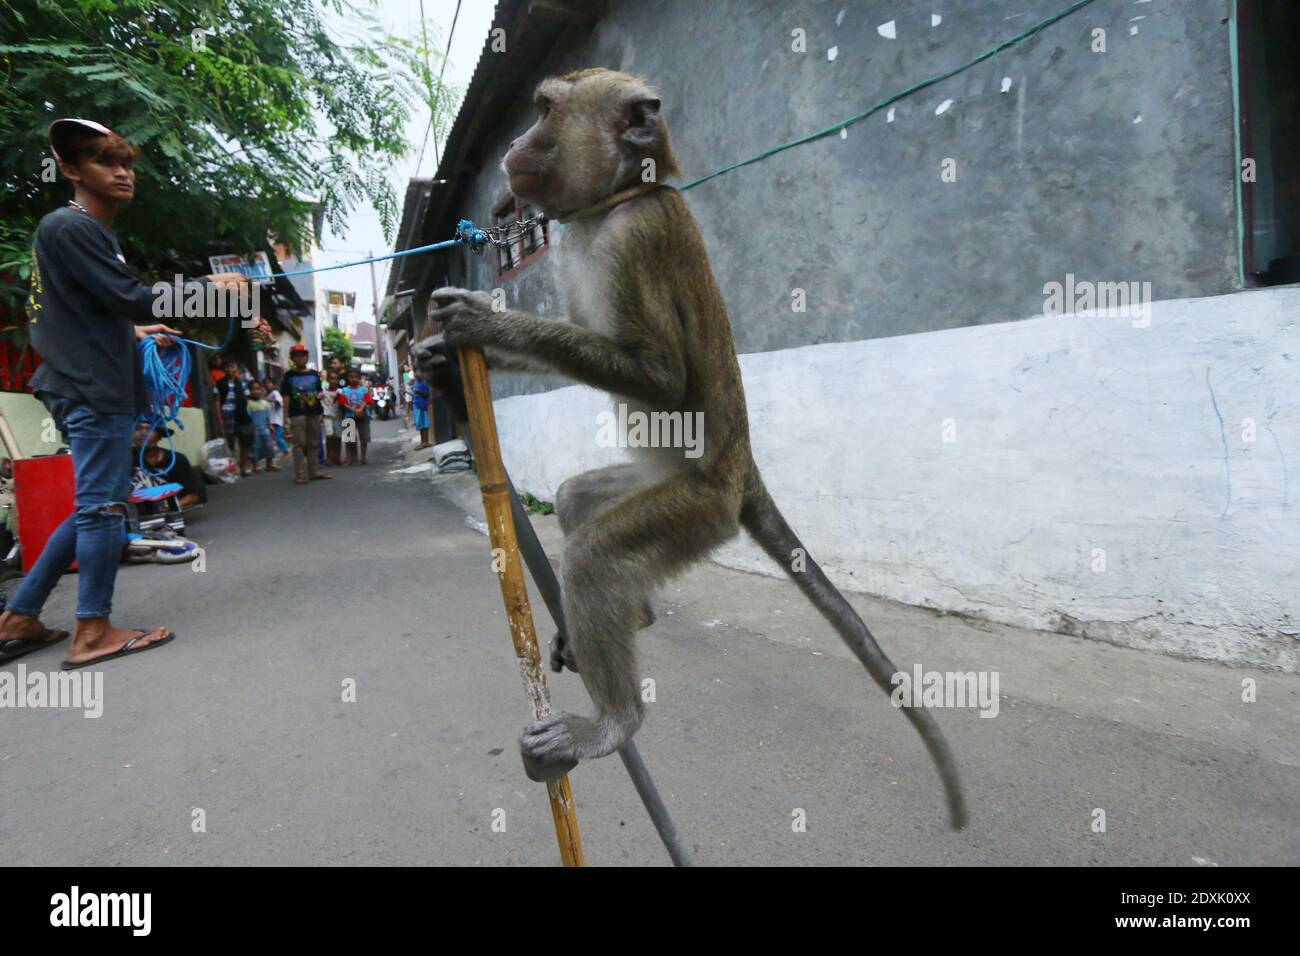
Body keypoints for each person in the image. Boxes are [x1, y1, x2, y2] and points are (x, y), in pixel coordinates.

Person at [0, 117, 245, 668]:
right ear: (69, 168)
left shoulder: (80, 231)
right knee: (103, 510)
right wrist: (210, 290)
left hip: (85, 382)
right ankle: (92, 632)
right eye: (103, 162)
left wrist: (133, 332)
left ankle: (19, 616)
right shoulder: (73, 226)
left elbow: (79, 308)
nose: (121, 173)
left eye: (126, 163)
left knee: (92, 509)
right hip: (91, 388)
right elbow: (132, 295)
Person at [279, 344, 332, 484]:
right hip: (297, 413)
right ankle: (301, 474)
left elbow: (320, 392)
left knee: (314, 442)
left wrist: (321, 410)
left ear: (307, 356)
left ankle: (314, 471)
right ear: (292, 358)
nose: (300, 357)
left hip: (313, 411)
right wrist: (285, 417)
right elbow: (286, 397)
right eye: (297, 355)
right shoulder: (289, 375)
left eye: (303, 354)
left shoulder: (314, 374)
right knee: (299, 443)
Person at [214, 358, 252, 476]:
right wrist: (219, 417)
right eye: (228, 367)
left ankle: (243, 466)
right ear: (224, 369)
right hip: (227, 415)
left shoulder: (242, 383)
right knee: (230, 441)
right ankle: (232, 468)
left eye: (233, 367)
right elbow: (217, 401)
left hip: (241, 415)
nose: (230, 369)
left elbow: (247, 400)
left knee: (244, 442)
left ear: (236, 369)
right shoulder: (220, 383)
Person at [339, 368, 372, 465]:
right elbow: (343, 403)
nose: (353, 379)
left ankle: (363, 457)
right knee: (349, 439)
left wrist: (360, 409)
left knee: (364, 438)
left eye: (356, 377)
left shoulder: (364, 389)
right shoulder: (344, 390)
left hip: (363, 416)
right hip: (349, 416)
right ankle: (349, 458)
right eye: (351, 377)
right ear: (348, 378)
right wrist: (354, 410)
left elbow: (367, 401)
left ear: (359, 378)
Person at [245, 380, 278, 473]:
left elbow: (268, 416)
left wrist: (270, 425)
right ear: (249, 391)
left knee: (268, 446)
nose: (256, 391)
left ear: (262, 390)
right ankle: (256, 465)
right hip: (254, 430)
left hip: (265, 429)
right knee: (255, 447)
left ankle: (269, 464)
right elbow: (248, 417)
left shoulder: (265, 403)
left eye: (258, 389)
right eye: (253, 389)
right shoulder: (249, 404)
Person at [263, 376, 289, 459]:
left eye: (269, 383)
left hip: (278, 421)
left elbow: (279, 402)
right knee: (273, 439)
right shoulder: (267, 394)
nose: (267, 385)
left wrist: (268, 399)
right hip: (271, 420)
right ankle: (273, 456)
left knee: (278, 438)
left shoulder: (275, 393)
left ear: (273, 384)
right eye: (265, 383)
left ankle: (286, 452)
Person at [321, 370, 344, 466]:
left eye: (335, 379)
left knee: (338, 437)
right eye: (331, 379)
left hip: (338, 416)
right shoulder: (323, 390)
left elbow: (343, 403)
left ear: (338, 380)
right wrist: (320, 415)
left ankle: (337, 457)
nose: (333, 381)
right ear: (328, 380)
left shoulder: (340, 391)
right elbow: (319, 402)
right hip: (327, 416)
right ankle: (329, 457)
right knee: (329, 435)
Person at [411, 376, 432, 448]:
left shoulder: (424, 383)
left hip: (422, 406)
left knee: (424, 424)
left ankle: (426, 441)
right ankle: (422, 441)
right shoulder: (415, 382)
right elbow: (414, 393)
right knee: (419, 424)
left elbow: (427, 395)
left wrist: (419, 392)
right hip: (416, 405)